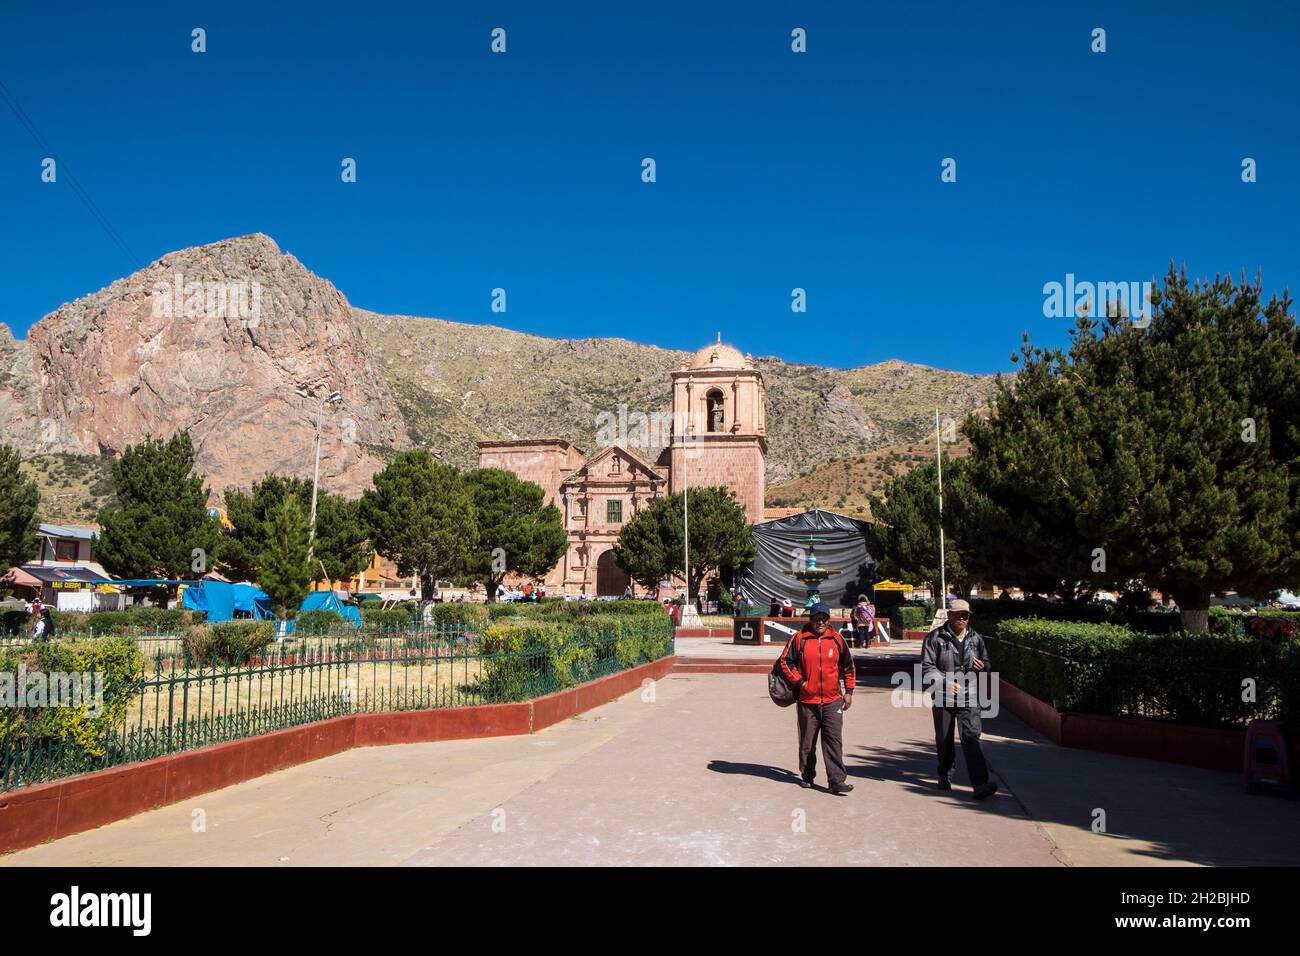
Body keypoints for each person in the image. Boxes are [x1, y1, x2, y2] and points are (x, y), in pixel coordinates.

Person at [921, 599, 997, 799]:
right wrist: (944, 681)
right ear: (949, 615)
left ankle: (980, 784)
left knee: (972, 738)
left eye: (966, 615)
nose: (962, 618)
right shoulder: (935, 638)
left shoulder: (976, 639)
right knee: (945, 740)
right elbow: (927, 668)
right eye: (958, 614)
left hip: (970, 696)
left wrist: (983, 666)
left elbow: (987, 662)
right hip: (943, 697)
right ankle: (945, 775)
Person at [778, 602, 856, 794]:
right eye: (817, 619)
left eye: (824, 619)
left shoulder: (837, 640)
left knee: (833, 740)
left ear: (829, 620)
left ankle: (837, 780)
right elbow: (785, 661)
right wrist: (800, 683)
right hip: (807, 700)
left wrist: (849, 692)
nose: (820, 622)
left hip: (832, 700)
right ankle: (807, 774)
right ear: (811, 619)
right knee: (807, 741)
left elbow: (848, 666)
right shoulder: (799, 639)